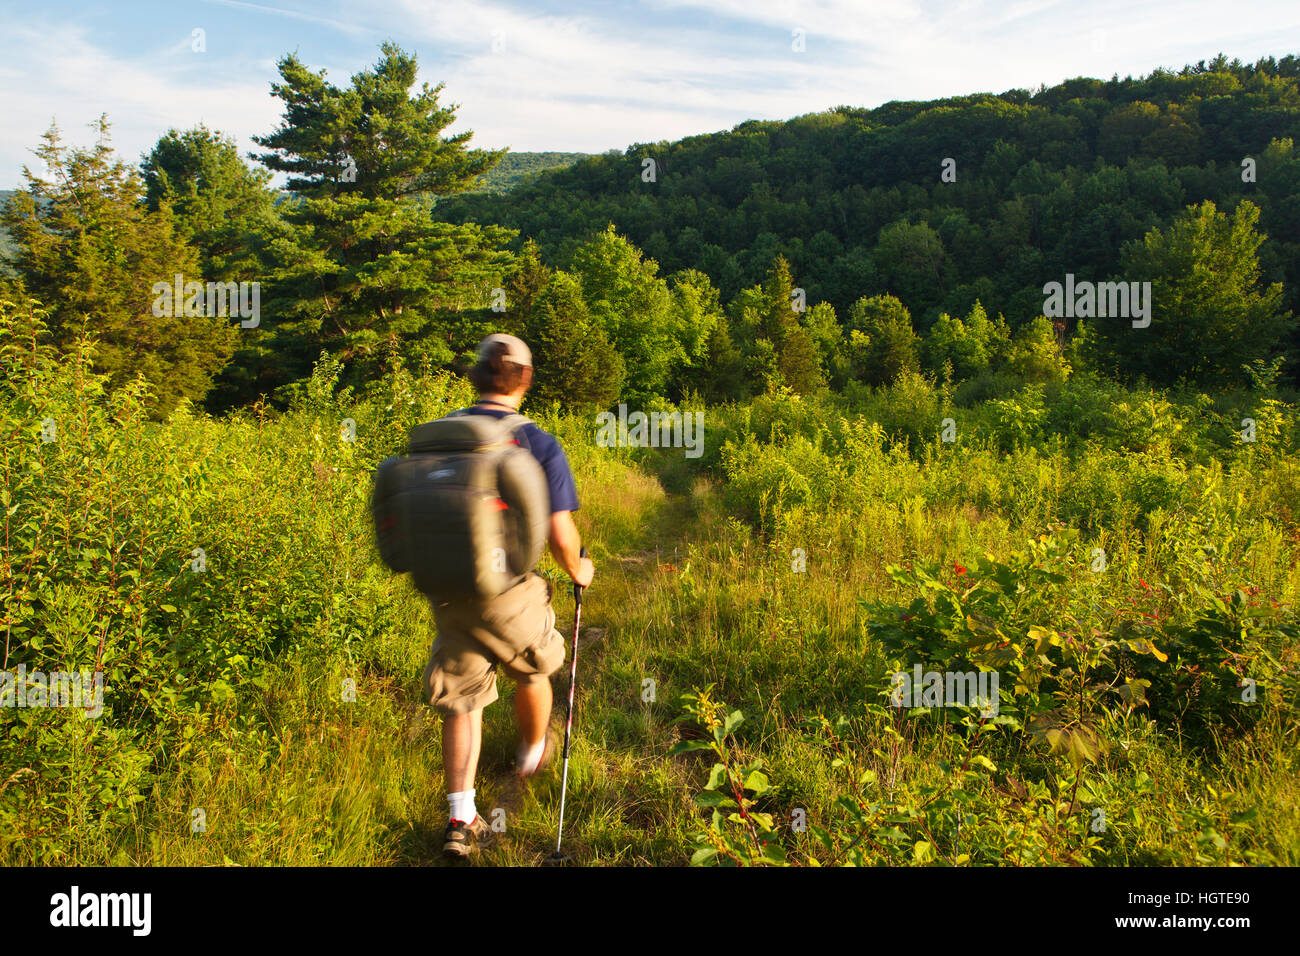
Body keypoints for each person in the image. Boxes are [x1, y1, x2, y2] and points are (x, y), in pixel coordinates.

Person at [424, 333, 595, 859]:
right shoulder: (536, 441)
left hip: (448, 586)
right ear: (524, 379)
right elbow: (561, 533)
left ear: (475, 376)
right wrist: (579, 570)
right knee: (537, 667)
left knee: (462, 698)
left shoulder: (445, 432)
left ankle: (460, 818)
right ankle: (530, 752)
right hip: (508, 590)